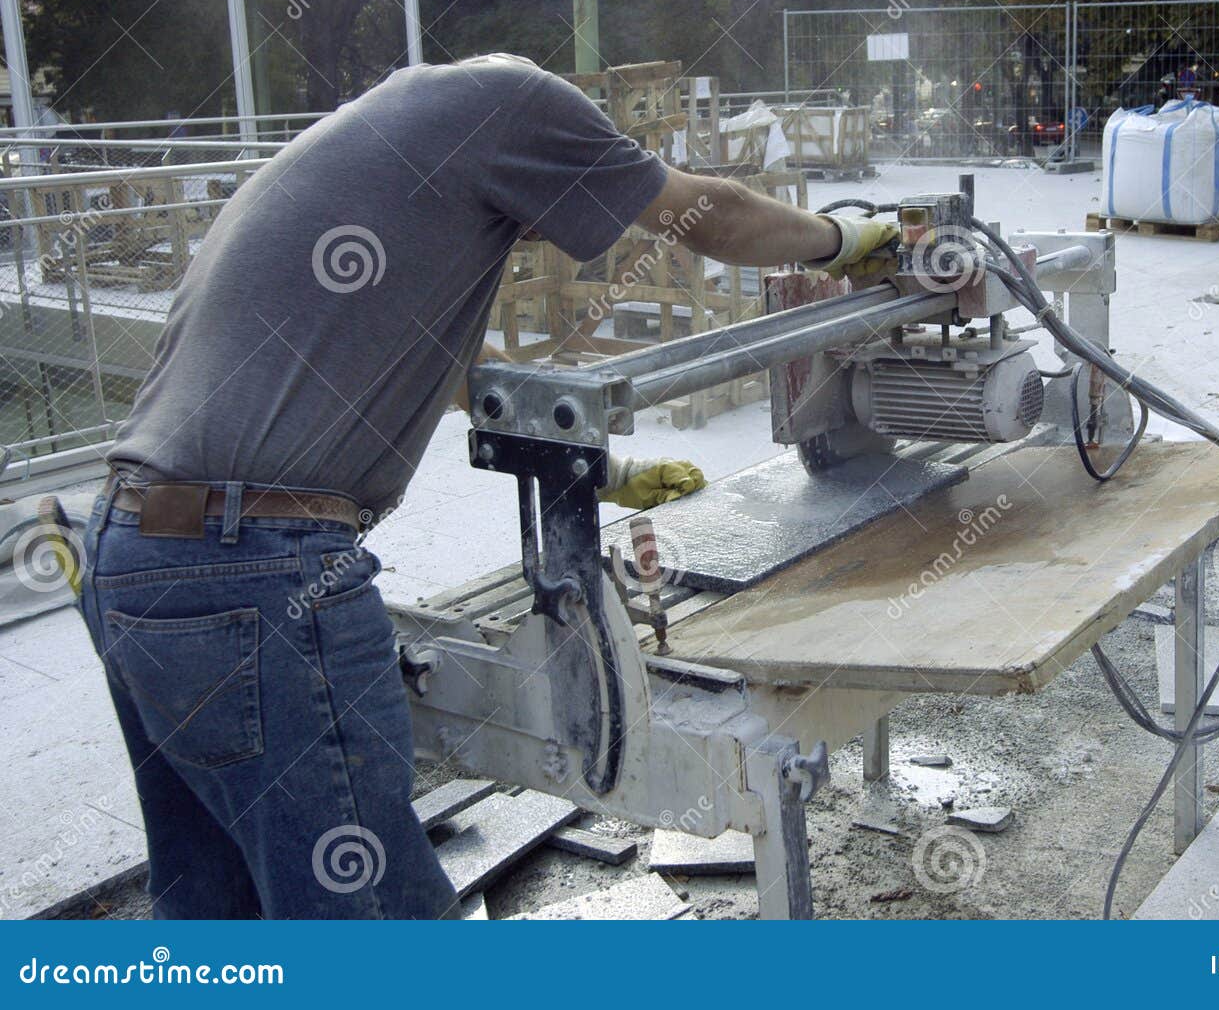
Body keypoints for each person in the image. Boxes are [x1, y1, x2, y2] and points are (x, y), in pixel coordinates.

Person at [75, 54, 898, 919]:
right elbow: (708, 217)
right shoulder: (512, 104)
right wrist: (847, 241)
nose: (556, 230)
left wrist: (608, 472)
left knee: (217, 916)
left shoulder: (381, 149)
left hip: (133, 557)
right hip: (257, 579)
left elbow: (457, 369)